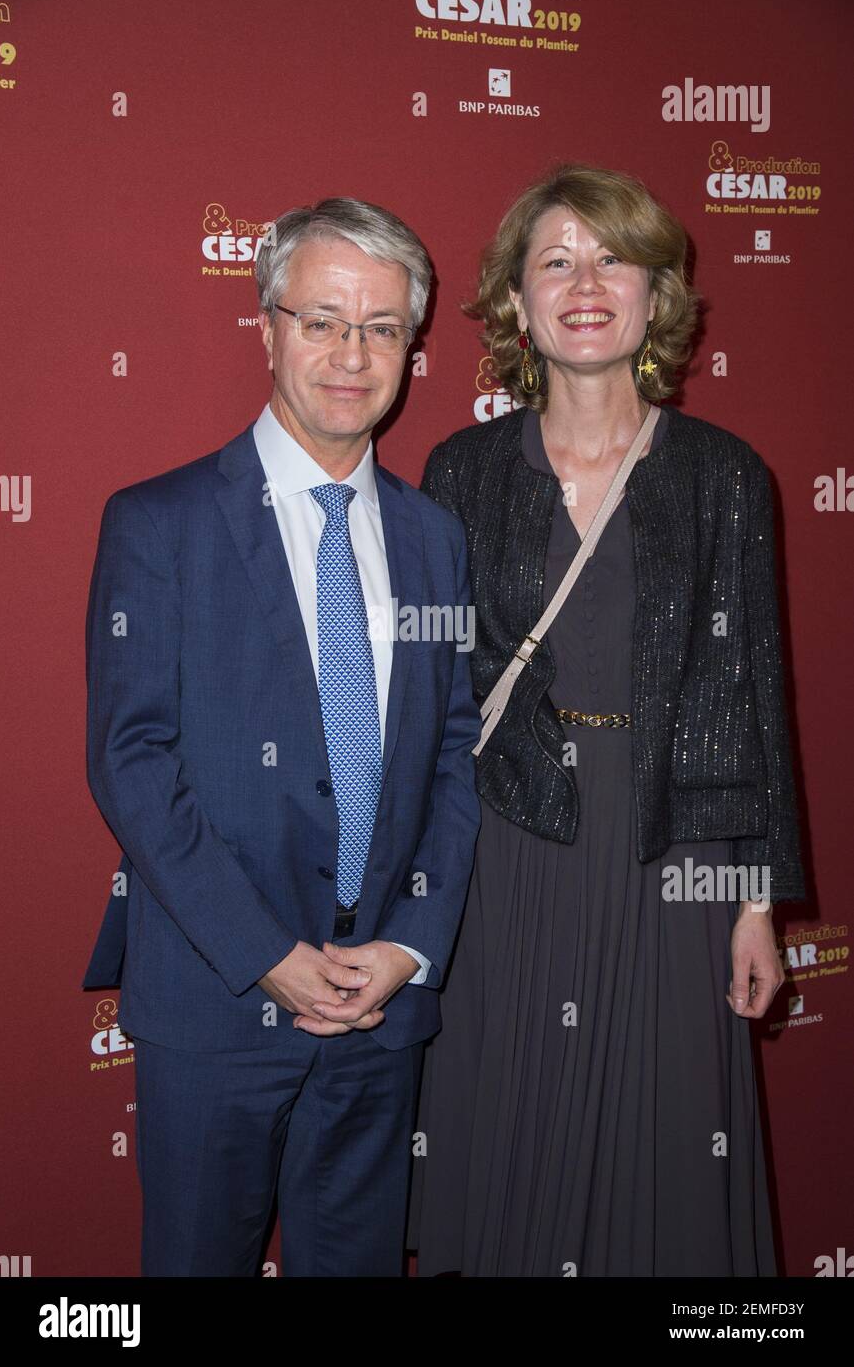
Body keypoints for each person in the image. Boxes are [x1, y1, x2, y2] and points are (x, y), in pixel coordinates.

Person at [407, 162, 805, 1277]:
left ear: (652, 295)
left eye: (612, 258)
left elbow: (749, 700)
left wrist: (750, 902)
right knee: (507, 1121)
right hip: (505, 844)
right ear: (517, 304)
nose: (586, 282)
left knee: (666, 1141)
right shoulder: (461, 471)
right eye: (556, 261)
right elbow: (436, 692)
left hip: (667, 852)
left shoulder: (725, 475)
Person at [82, 197, 481, 1277]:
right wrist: (267, 956)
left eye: (382, 327)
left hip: (382, 1014)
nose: (352, 356)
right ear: (266, 328)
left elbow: (452, 755)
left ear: (412, 346)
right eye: (322, 320)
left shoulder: (435, 541)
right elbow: (129, 760)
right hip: (217, 1002)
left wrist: (407, 945)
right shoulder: (158, 524)